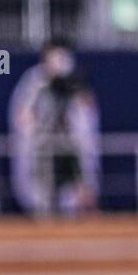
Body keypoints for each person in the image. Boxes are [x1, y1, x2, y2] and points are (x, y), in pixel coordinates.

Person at [21, 40, 99, 215]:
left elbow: (86, 103)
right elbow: (24, 112)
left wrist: (76, 90)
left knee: (81, 178)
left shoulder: (71, 80)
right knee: (46, 187)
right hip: (45, 141)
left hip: (66, 138)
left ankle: (89, 215)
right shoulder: (37, 81)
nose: (58, 62)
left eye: (61, 58)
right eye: (54, 59)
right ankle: (46, 220)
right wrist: (32, 131)